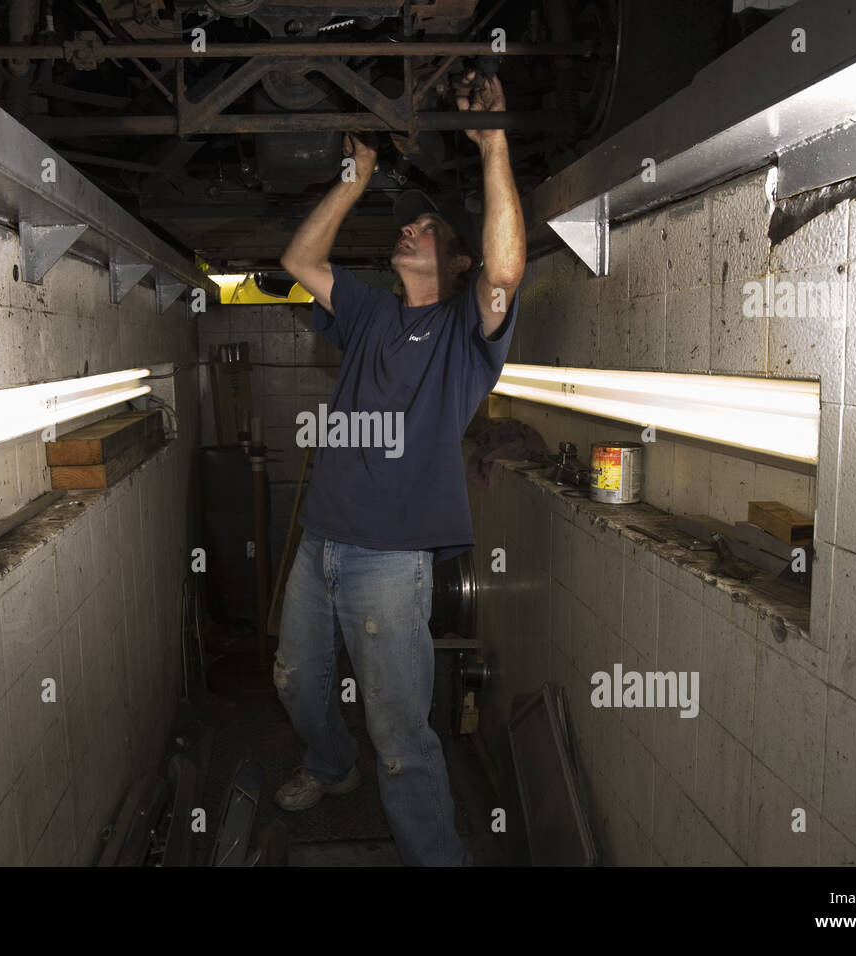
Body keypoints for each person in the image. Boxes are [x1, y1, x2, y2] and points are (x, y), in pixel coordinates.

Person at [273, 72, 526, 866]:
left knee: (399, 734)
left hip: (390, 564)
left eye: (425, 228)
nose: (411, 229)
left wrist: (493, 148)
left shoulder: (465, 335)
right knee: (294, 680)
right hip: (321, 542)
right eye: (408, 223)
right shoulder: (372, 311)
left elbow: (506, 273)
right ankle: (329, 765)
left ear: (452, 265)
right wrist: (355, 177)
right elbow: (299, 257)